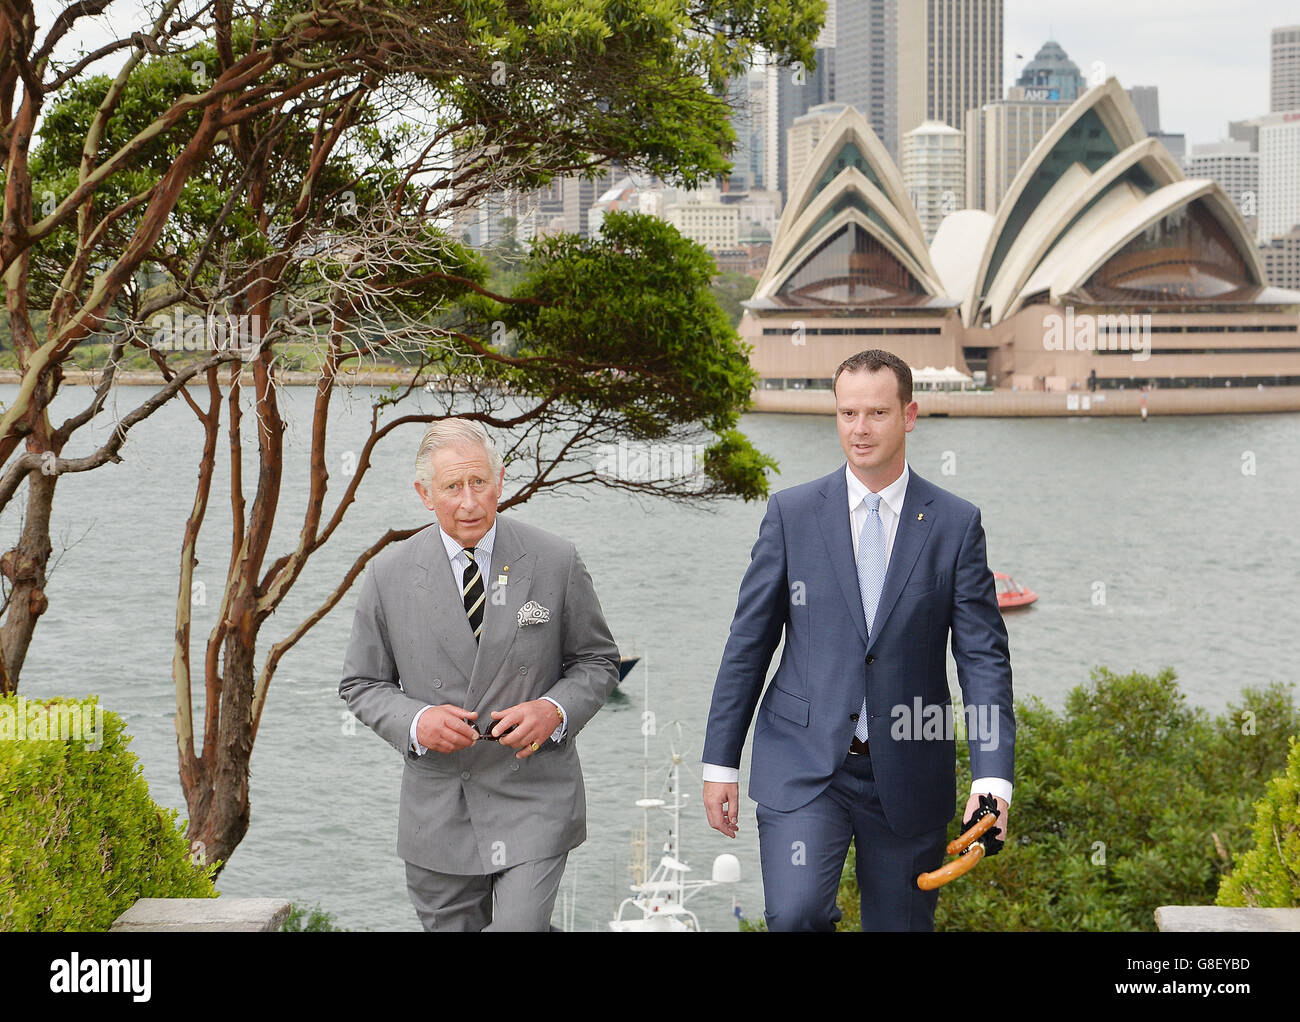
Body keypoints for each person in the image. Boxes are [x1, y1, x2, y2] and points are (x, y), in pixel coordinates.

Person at [701, 349, 1015, 931]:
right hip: (803, 761)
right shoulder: (791, 513)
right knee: (795, 915)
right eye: (847, 413)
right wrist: (720, 760)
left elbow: (983, 660)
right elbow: (749, 643)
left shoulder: (955, 524)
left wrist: (992, 778)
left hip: (908, 769)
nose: (860, 429)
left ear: (910, 415)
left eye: (875, 413)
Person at [339, 418, 619, 931]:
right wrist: (416, 721)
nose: (469, 502)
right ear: (425, 494)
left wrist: (553, 710)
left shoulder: (556, 559)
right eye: (452, 487)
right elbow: (361, 683)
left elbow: (598, 661)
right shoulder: (387, 575)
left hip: (534, 795)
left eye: (479, 483)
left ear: (501, 480)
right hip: (439, 807)